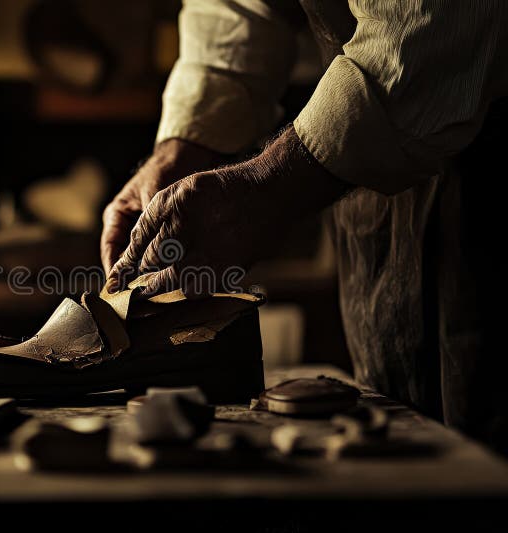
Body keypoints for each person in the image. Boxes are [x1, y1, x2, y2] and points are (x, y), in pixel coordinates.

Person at [101, 0, 508, 453]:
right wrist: (187, 142)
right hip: (366, 178)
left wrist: (268, 185)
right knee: (396, 449)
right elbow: (239, 7)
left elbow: (429, 31)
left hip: (487, 177)